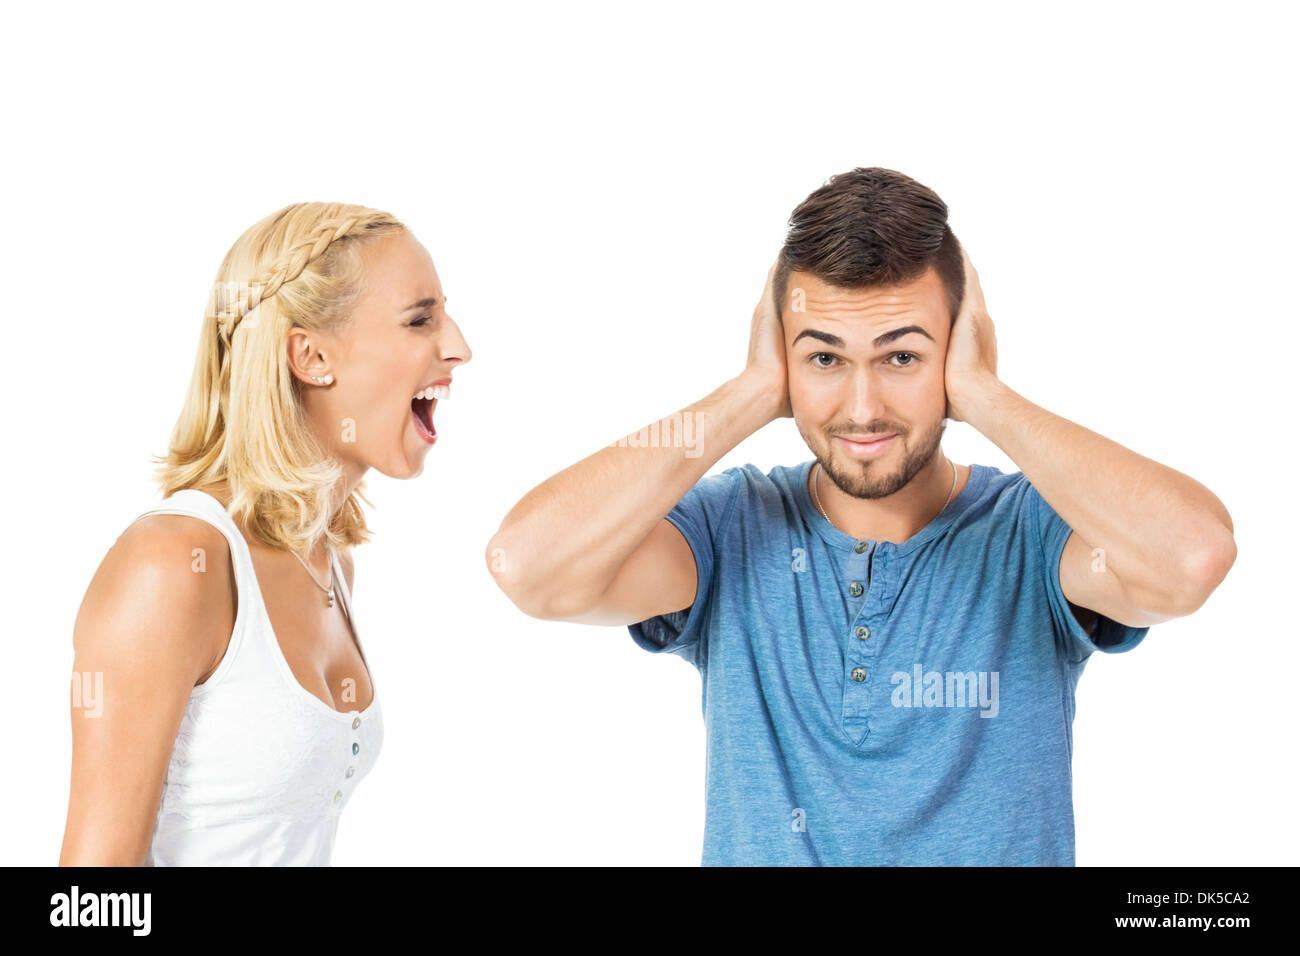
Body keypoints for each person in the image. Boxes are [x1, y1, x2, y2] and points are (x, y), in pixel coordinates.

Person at [486, 167, 1237, 865]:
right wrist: (748, 392)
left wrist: (987, 397)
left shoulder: (1034, 536)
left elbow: (1192, 558)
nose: (863, 407)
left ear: (957, 351)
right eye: (824, 359)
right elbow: (531, 568)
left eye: (902, 357)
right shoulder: (728, 530)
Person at [60, 203, 471, 865]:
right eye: (420, 319)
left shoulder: (329, 562)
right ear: (310, 357)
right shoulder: (174, 565)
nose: (458, 346)